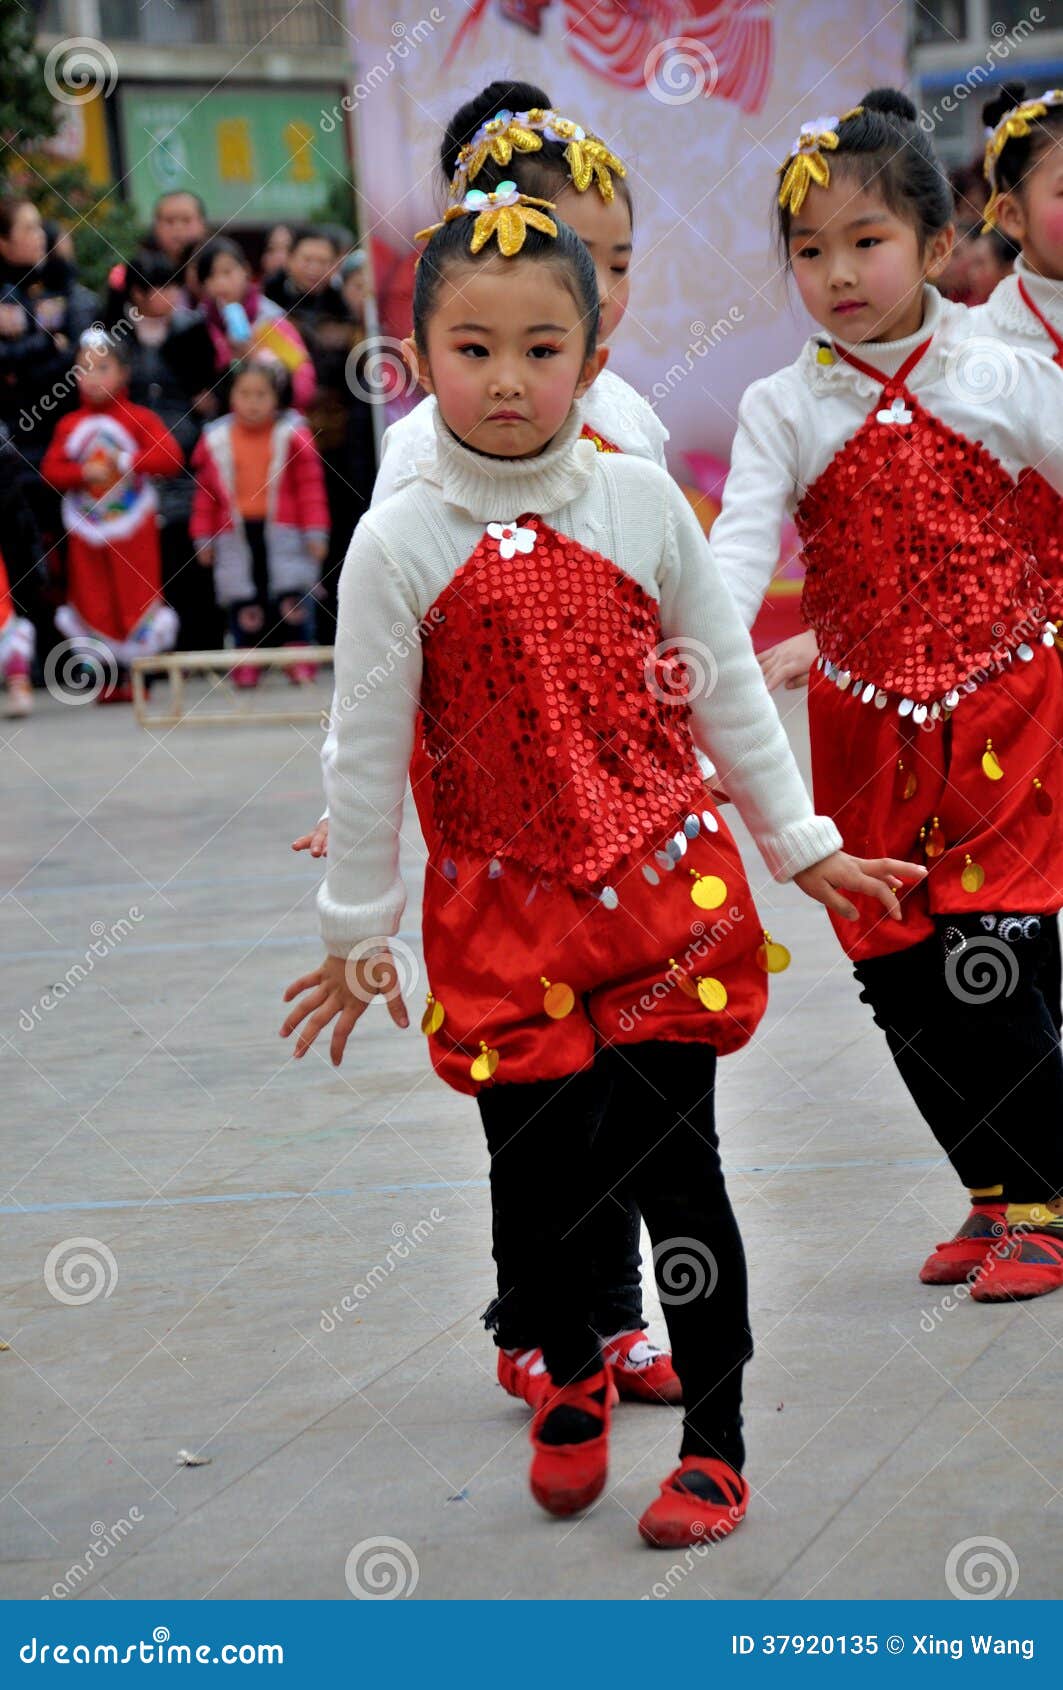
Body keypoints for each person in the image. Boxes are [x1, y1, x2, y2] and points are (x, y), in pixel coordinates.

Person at [279, 185, 923, 1545]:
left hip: (656, 892)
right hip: (495, 911)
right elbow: (364, 742)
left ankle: (714, 1441)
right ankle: (566, 1371)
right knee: (538, 1175)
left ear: (589, 352)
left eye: (539, 347)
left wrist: (798, 842)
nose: (507, 379)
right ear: (418, 354)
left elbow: (728, 692)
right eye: (472, 347)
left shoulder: (640, 504)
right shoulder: (396, 539)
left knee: (673, 1168)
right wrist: (355, 924)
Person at [294, 81, 680, 1409]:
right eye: (572, 251)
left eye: (613, 263)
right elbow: (376, 663)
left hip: (627, 824)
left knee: (640, 1080)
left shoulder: (628, 430)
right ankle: (540, 1319)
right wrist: (353, 821)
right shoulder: (416, 460)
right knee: (538, 1094)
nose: (599, 284)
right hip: (498, 836)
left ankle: (618, 1319)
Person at [706, 89, 1063, 1299]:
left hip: (1007, 700)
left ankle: (1048, 1199)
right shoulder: (780, 407)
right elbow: (732, 562)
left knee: (995, 953)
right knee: (897, 968)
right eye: (809, 253)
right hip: (858, 727)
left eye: (866, 243)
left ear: (934, 239)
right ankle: (993, 1184)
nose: (839, 274)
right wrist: (683, 662)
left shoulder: (1003, 370)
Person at [41, 330, 183, 703]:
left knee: (135, 593)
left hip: (132, 530)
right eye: (84, 368)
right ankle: (105, 674)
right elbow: (50, 470)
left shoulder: (140, 419)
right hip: (87, 530)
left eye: (103, 367)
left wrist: (126, 461)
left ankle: (142, 671)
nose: (93, 377)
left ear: (123, 372)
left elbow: (170, 458)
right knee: (92, 596)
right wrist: (79, 474)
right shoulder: (69, 426)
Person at [190, 361, 328, 688]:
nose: (252, 402)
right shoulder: (215, 440)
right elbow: (205, 495)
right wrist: (202, 538)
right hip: (234, 533)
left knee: (291, 594)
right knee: (242, 598)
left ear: (276, 398)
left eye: (261, 394)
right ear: (231, 397)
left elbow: (311, 488)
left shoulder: (293, 436)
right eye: (245, 394)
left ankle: (298, 657)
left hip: (286, 529)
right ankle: (246, 659)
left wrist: (315, 531)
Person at [124, 248, 223, 653]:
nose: (165, 294)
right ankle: (153, 642)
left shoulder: (193, 329)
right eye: (154, 286)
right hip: (136, 456)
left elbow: (212, 390)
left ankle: (200, 642)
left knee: (190, 541)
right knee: (147, 544)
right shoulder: (119, 336)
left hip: (187, 452)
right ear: (135, 293)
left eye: (171, 284)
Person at [195, 237, 316, 413]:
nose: (220, 282)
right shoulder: (197, 326)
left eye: (227, 272)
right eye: (210, 276)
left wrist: (256, 357)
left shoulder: (270, 321)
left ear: (245, 270)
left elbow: (304, 388)